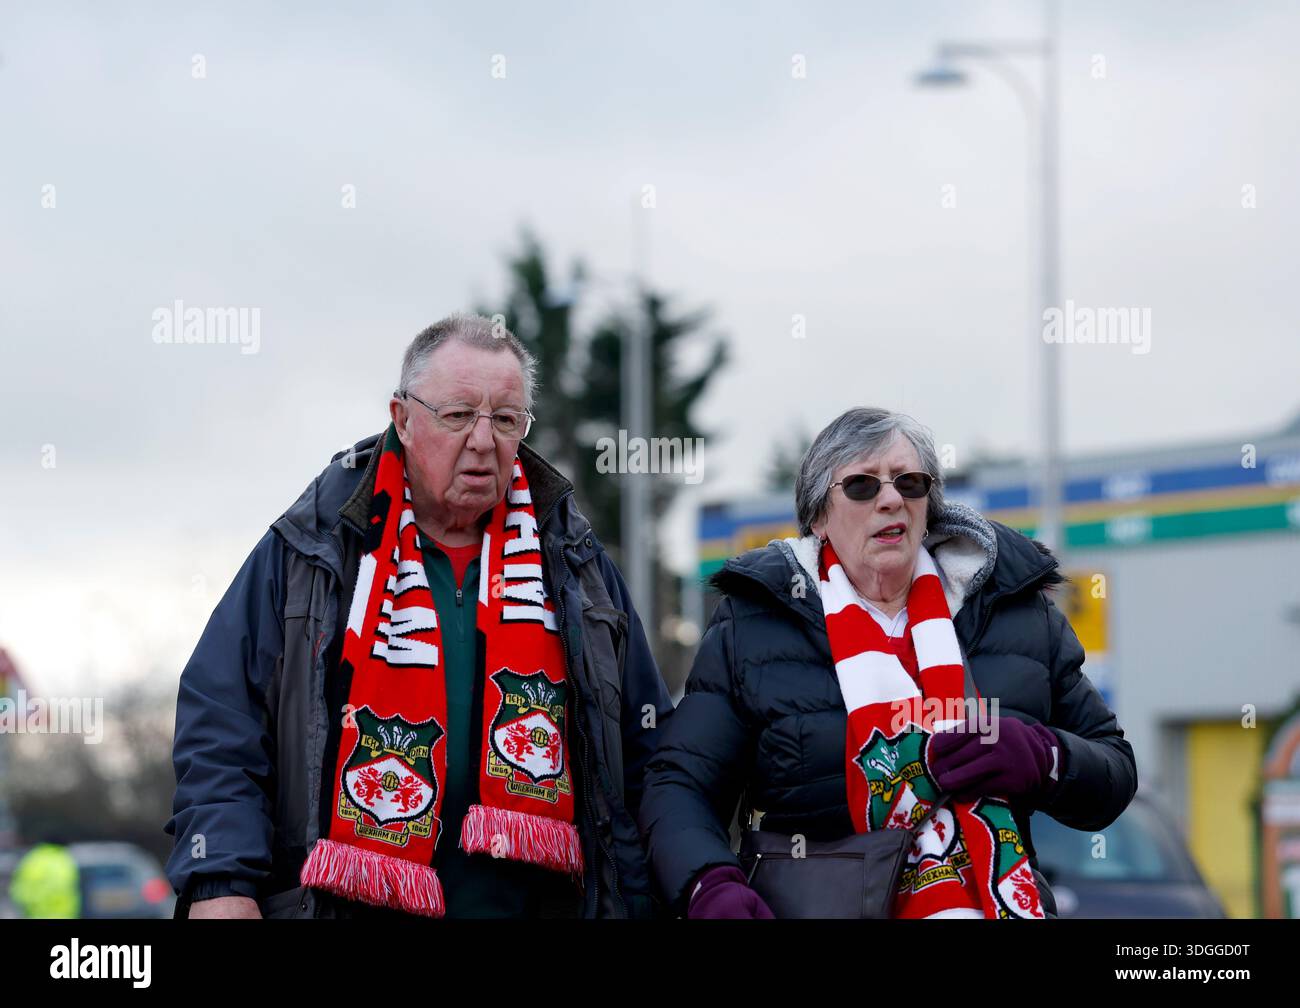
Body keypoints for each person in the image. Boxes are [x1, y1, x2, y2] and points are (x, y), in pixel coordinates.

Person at [165, 314, 671, 919]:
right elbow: (222, 719)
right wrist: (221, 882)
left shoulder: (577, 563)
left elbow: (650, 755)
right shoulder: (311, 548)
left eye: (506, 420)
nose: (483, 441)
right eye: (458, 415)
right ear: (402, 418)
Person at [638, 407, 1137, 919]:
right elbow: (678, 784)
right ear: (818, 518)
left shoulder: (1018, 612)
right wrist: (710, 884)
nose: (891, 499)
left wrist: (1044, 757)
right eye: (861, 486)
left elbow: (1114, 770)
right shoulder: (754, 624)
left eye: (910, 482)